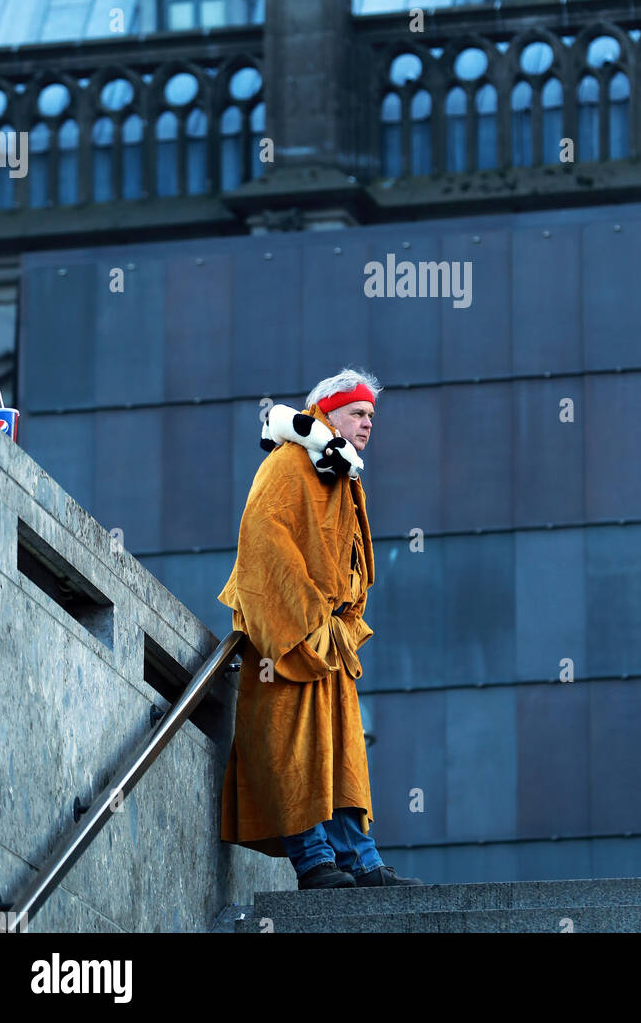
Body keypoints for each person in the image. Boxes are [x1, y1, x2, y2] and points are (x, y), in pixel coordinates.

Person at [217, 367, 423, 889]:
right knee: (292, 750)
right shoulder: (289, 464)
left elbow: (355, 567)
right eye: (357, 413)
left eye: (371, 415)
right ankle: (314, 861)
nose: (367, 424)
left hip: (325, 639)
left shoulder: (341, 473)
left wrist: (342, 624)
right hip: (283, 639)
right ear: (326, 414)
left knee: (341, 754)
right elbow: (263, 545)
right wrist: (308, 620)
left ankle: (360, 860)